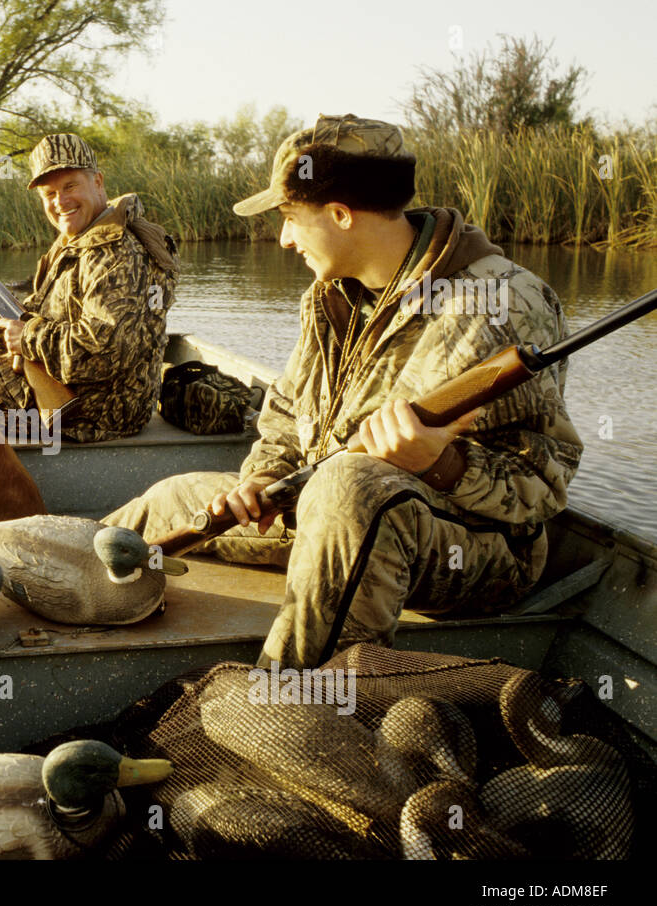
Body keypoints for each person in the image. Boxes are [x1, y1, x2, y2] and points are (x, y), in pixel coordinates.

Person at [105, 114, 582, 668]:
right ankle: (34, 574)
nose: (282, 238)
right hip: (319, 512)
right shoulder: (326, 295)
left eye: (289, 218)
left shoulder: (503, 302)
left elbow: (544, 484)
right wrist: (260, 479)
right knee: (172, 499)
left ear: (339, 214)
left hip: (475, 555)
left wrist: (440, 464)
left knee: (348, 485)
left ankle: (296, 704)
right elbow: (286, 413)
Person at [0, 133, 182, 443]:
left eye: (70, 187)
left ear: (97, 182)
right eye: (49, 194)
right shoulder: (76, 243)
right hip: (86, 391)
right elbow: (15, 332)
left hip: (101, 410)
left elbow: (105, 356)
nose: (60, 202)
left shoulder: (114, 253)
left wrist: (28, 336)